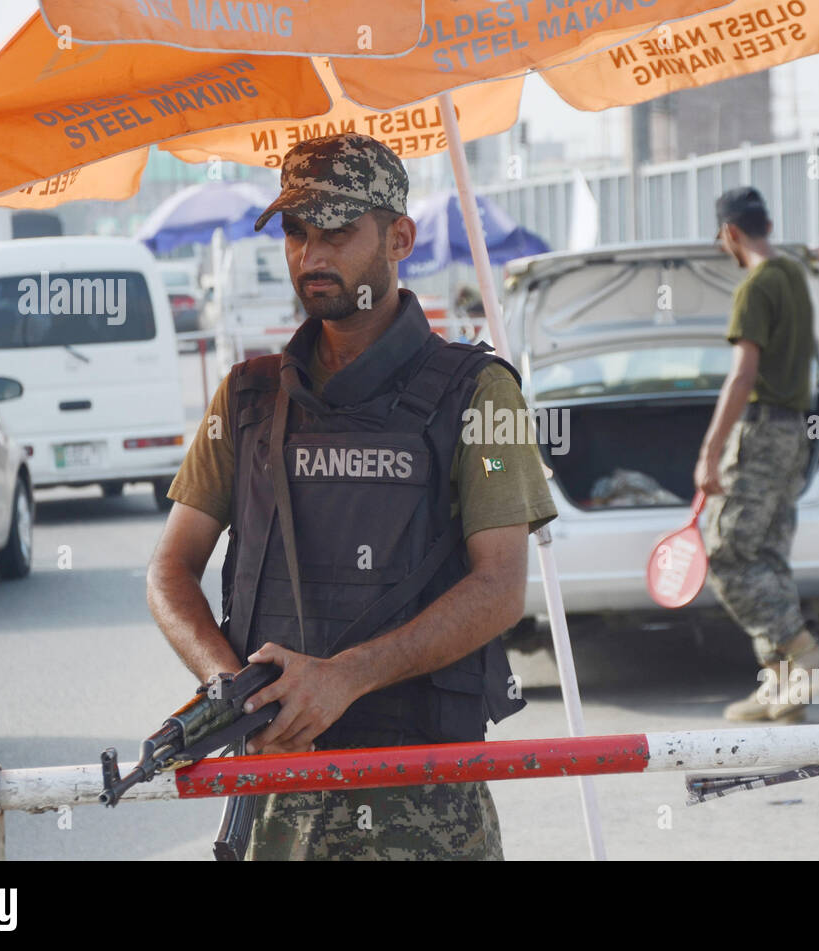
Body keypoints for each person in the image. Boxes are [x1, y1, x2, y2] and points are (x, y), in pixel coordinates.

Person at [146, 133, 558, 859]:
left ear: (400, 236)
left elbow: (499, 587)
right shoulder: (247, 395)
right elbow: (169, 570)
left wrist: (346, 678)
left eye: (337, 231)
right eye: (297, 233)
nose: (311, 256)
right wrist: (232, 691)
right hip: (273, 795)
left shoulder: (479, 392)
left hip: (424, 798)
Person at [695, 186, 819, 722]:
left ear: (731, 232)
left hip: (760, 434)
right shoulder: (796, 279)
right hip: (794, 434)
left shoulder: (756, 285)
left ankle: (804, 655)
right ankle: (780, 683)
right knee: (768, 553)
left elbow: (742, 374)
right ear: (768, 223)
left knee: (729, 554)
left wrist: (710, 454)